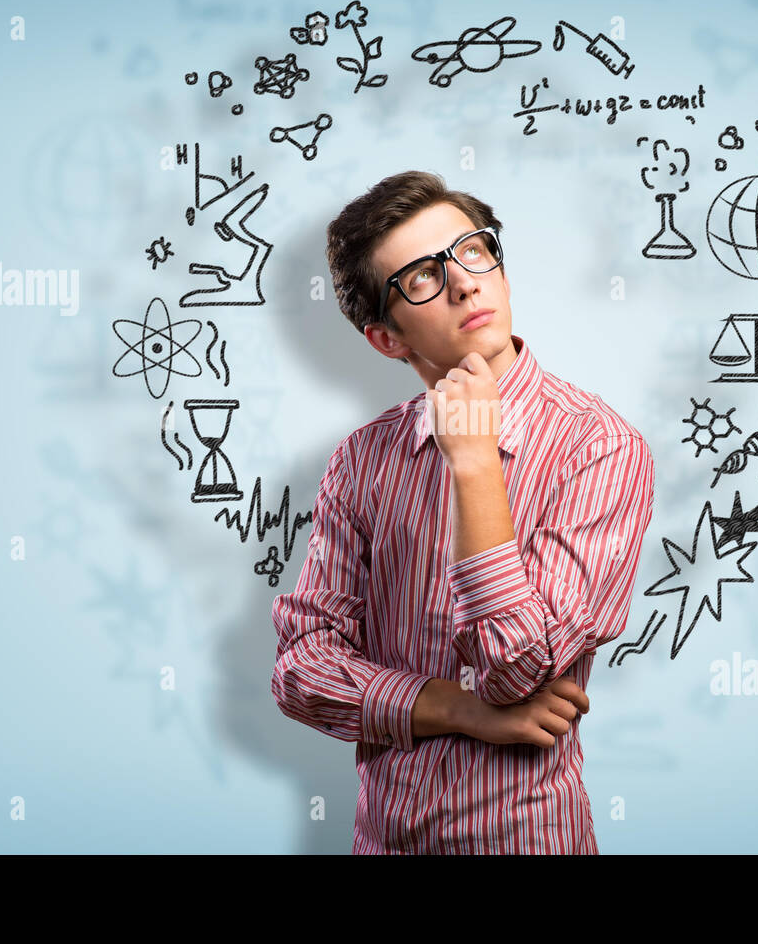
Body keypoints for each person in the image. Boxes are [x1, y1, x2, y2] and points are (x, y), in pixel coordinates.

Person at [270, 170, 655, 853]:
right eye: (421, 277)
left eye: (472, 251)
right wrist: (459, 710)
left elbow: (517, 671)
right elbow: (303, 671)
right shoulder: (361, 460)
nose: (463, 283)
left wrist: (474, 465)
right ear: (388, 339)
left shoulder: (600, 449)